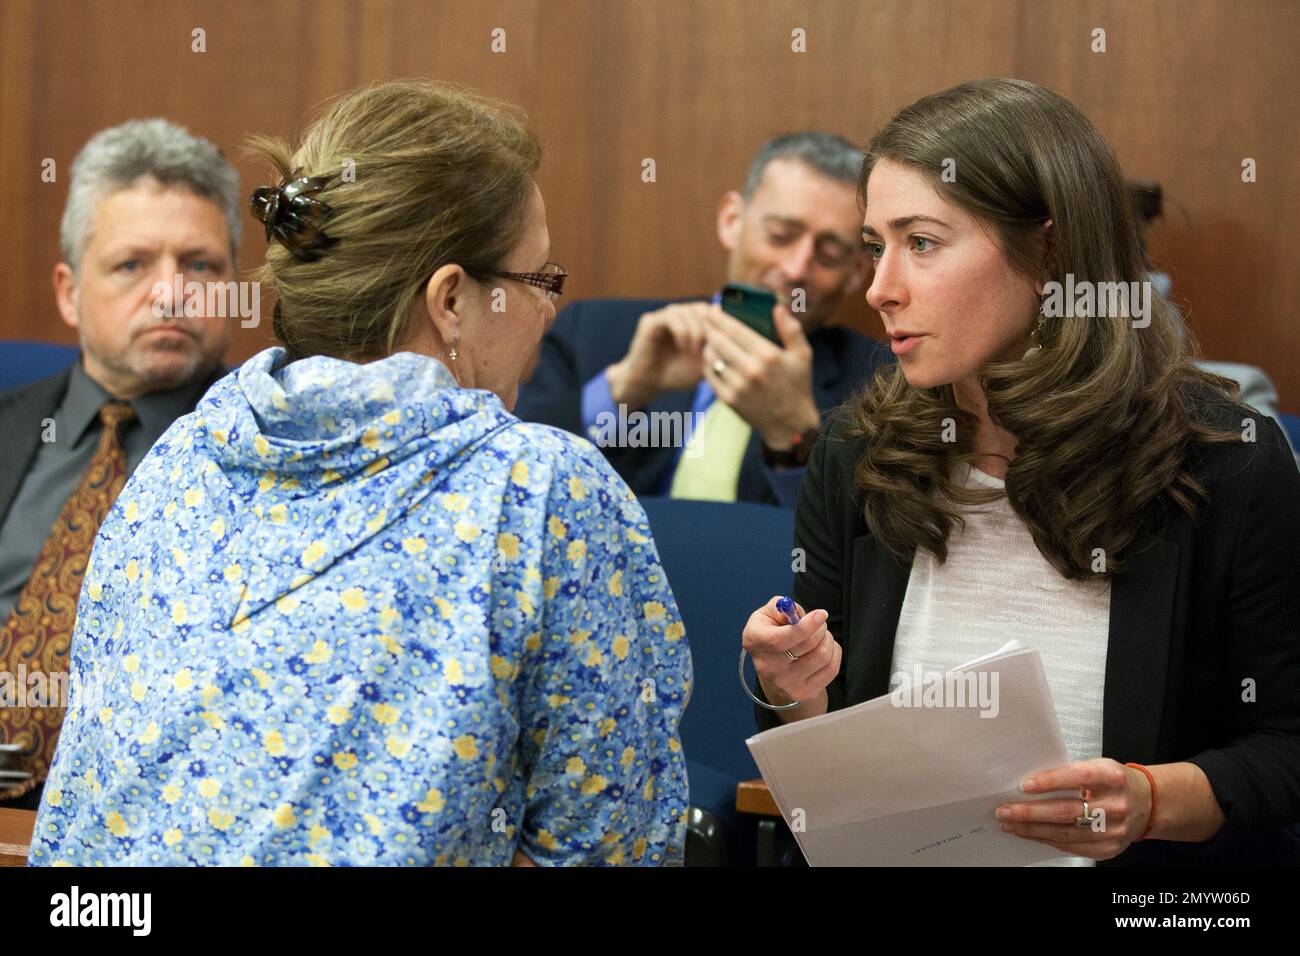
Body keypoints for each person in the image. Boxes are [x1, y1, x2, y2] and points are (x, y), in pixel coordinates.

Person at [28, 79, 691, 867]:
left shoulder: (176, 459)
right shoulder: (543, 490)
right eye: (539, 283)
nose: (550, 311)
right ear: (450, 300)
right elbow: (613, 847)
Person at [743, 78, 1300, 866]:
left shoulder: (1225, 459)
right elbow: (830, 755)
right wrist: (793, 691)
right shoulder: (857, 452)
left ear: (1049, 253)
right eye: (876, 246)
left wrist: (1147, 800)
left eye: (922, 244)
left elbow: (1286, 749)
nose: (879, 287)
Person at [0, 119, 239, 808]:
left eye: (200, 265)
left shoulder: (273, 451)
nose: (171, 293)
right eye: (133, 265)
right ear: (70, 290)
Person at [515, 133, 892, 507]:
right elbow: (510, 473)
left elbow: (870, 546)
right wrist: (624, 390)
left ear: (858, 271)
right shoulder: (594, 332)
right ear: (731, 221)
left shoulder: (884, 384)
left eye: (827, 255)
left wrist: (796, 437)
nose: (796, 269)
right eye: (780, 236)